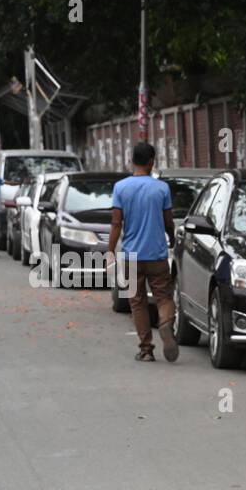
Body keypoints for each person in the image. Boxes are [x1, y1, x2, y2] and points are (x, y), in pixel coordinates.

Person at [107, 141, 178, 363]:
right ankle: (165, 323)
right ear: (151, 162)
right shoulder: (161, 188)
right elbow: (168, 221)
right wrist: (172, 236)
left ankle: (146, 349)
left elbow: (116, 223)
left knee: (136, 302)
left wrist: (110, 249)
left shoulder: (120, 188)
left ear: (132, 161)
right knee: (163, 297)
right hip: (156, 254)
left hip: (130, 256)